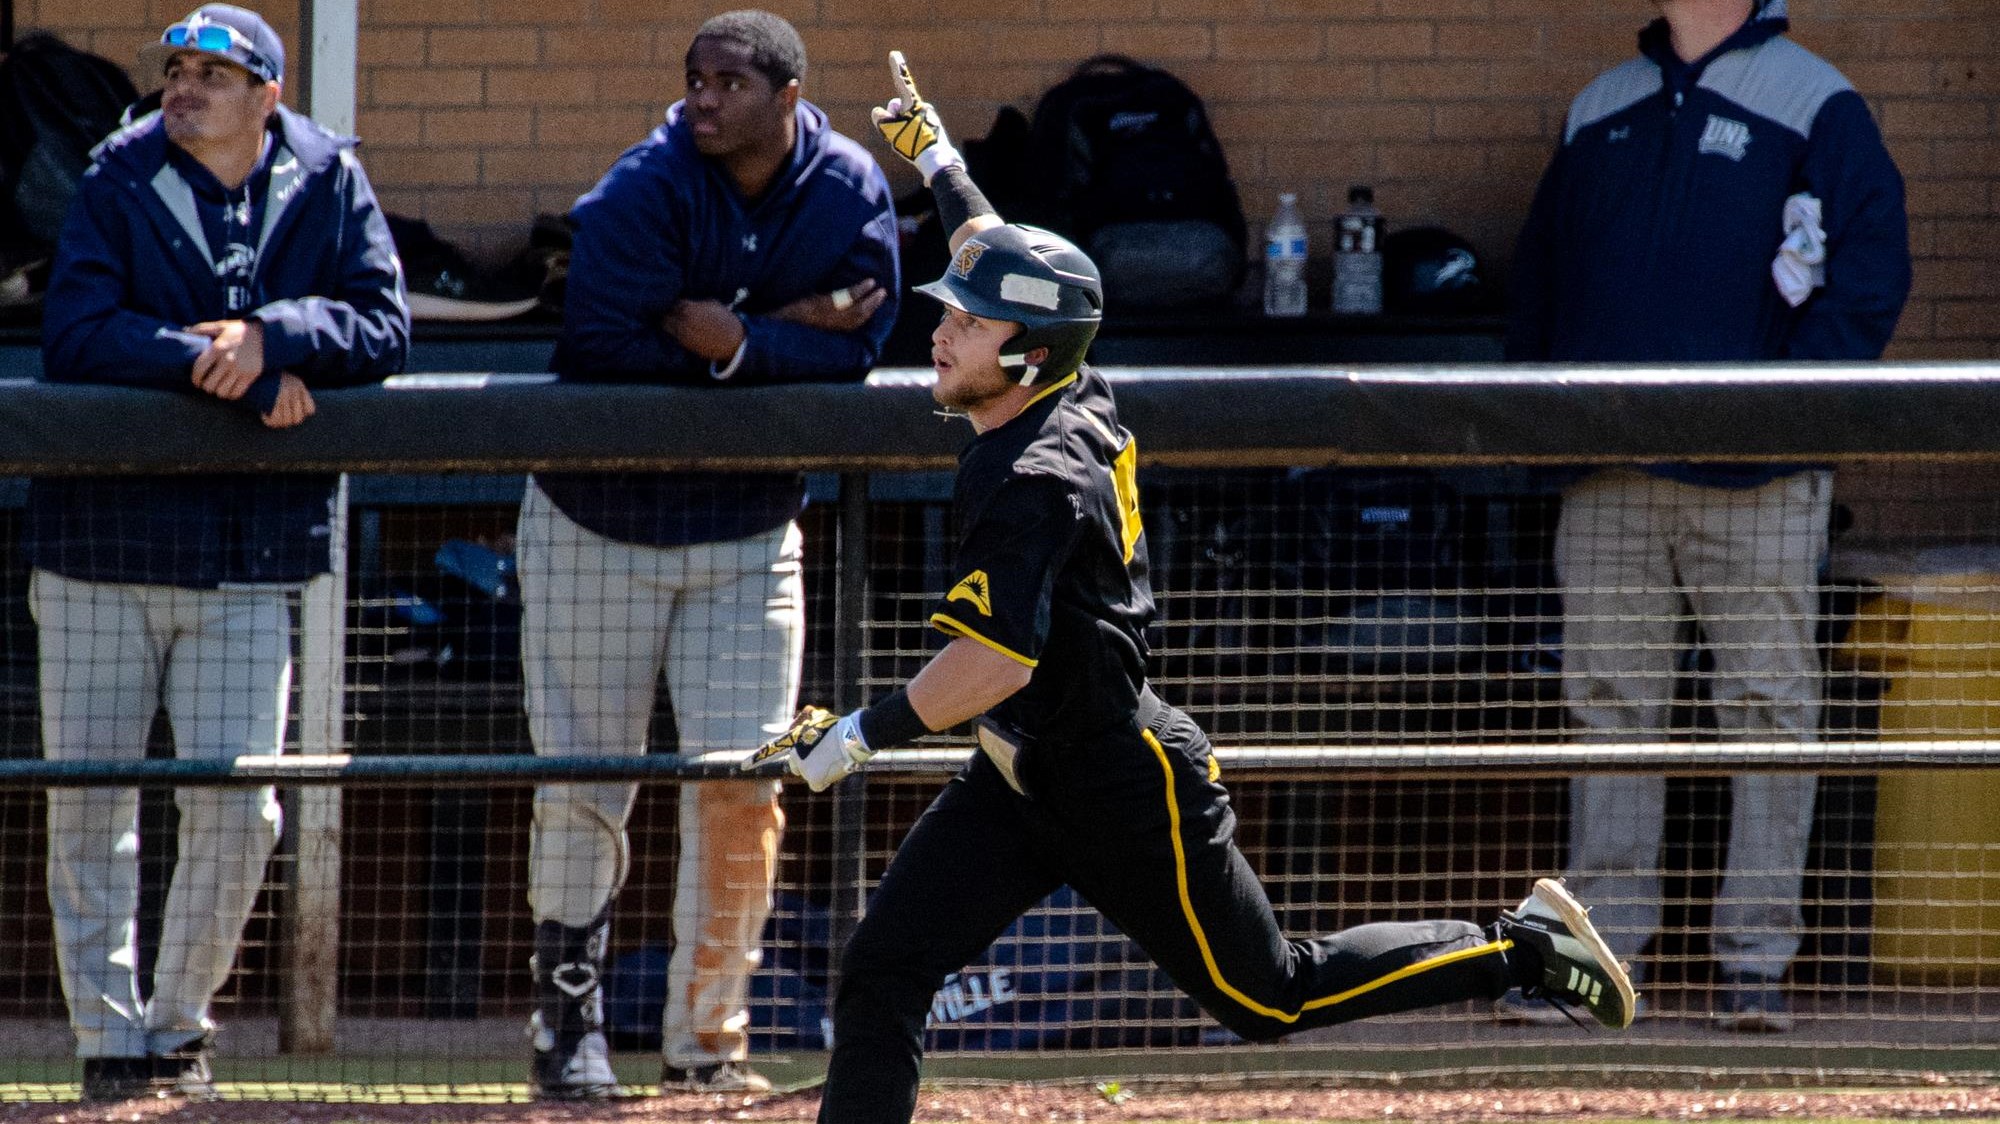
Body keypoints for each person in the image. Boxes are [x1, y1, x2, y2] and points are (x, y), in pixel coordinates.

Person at [739, 53, 1636, 1124]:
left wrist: (862, 733)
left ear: (1026, 356)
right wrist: (940, 163)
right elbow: (999, 251)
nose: (940, 330)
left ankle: (1519, 948)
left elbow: (994, 662)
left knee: (1270, 995)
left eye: (968, 323)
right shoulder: (1063, 376)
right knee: (884, 969)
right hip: (1018, 775)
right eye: (952, 311)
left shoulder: (1035, 472)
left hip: (1118, 779)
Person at [1504, 0, 1910, 1031]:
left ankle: (1755, 963)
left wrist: (1782, 416)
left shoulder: (1816, 101)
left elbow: (1867, 278)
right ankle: (1598, 962)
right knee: (1607, 712)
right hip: (1607, 475)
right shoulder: (1600, 105)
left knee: (1769, 709)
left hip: (1760, 481)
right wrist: (1552, 427)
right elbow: (1539, 280)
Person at [518, 9, 898, 1099]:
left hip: (747, 533)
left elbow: (868, 343)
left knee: (743, 787)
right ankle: (567, 1032)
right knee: (586, 784)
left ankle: (708, 1044)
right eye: (695, 79)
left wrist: (737, 337)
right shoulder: (643, 187)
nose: (704, 99)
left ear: (788, 96)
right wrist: (786, 331)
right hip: (598, 523)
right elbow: (600, 345)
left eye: (729, 82)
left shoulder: (847, 188)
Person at [33, 2, 407, 1100]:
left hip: (252, 545)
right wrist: (219, 367)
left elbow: (383, 325)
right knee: (90, 807)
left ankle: (176, 1026)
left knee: (241, 809)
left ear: (266, 96)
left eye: (212, 73)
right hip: (101, 543)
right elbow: (74, 333)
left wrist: (275, 335)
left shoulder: (328, 177)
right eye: (177, 69)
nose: (183, 87)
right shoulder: (118, 172)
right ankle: (107, 1042)